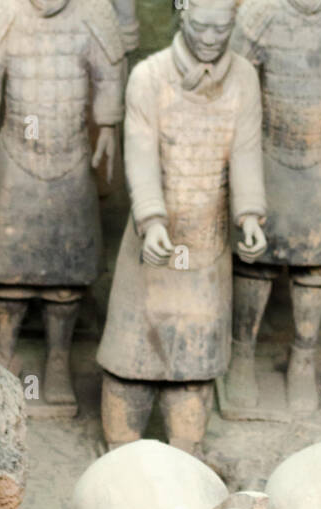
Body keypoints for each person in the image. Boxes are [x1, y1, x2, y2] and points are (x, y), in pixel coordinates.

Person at [96, 0, 267, 456]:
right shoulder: (148, 77)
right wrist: (151, 218)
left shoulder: (245, 79)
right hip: (153, 245)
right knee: (130, 358)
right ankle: (121, 456)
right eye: (201, 27)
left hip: (208, 240)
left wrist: (249, 214)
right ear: (181, 12)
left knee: (195, 364)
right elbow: (140, 152)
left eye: (222, 29)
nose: (211, 39)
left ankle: (184, 457)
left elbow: (247, 151)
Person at [0, 0, 125, 414]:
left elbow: (109, 70)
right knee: (7, 270)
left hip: (70, 156)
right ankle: (2, 357)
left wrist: (107, 125)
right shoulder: (2, 9)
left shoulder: (94, 11)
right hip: (16, 153)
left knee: (66, 274)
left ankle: (56, 363)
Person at [226, 0, 321, 414]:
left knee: (319, 260)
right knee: (256, 257)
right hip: (267, 146)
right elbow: (238, 82)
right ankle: (241, 356)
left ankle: (303, 358)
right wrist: (239, 150)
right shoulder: (259, 11)